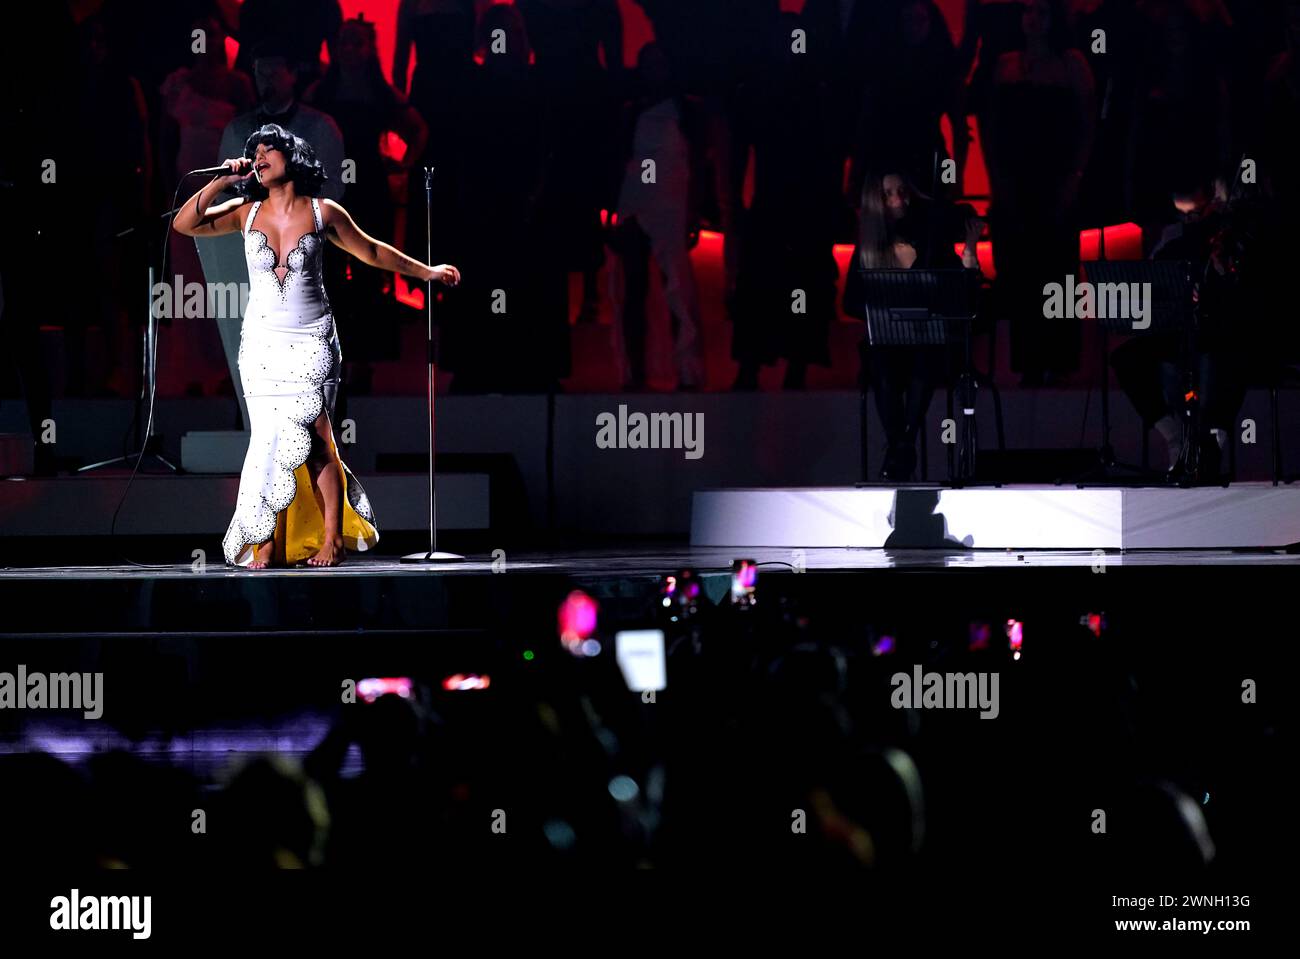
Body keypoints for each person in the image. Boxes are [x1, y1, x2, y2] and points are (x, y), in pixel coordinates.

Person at [172, 124, 461, 567]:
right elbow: (184, 223)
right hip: (262, 344)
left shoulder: (324, 212)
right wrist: (221, 181)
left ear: (293, 157)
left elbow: (373, 252)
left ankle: (332, 538)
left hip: (312, 338)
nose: (261, 155)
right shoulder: (244, 212)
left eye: (270, 148)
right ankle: (264, 539)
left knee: (316, 437)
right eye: (255, 151)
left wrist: (427, 273)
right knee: (268, 439)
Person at [195, 43, 346, 430]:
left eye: (275, 70)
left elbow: (332, 195)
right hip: (255, 262)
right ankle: (254, 418)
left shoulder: (318, 127)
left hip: (306, 262)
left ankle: (323, 426)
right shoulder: (238, 130)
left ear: (294, 73)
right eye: (259, 71)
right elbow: (213, 206)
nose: (266, 80)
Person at [306, 15, 429, 394]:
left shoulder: (381, 92)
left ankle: (363, 364)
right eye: (345, 42)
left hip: (370, 190)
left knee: (370, 273)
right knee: (327, 274)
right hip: (331, 190)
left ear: (370, 49)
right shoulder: (320, 93)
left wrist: (404, 165)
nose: (351, 50)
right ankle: (328, 360)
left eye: (358, 43)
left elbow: (418, 129)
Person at [845, 170, 983, 481]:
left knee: (924, 361)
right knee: (883, 367)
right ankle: (903, 445)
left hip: (926, 344)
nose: (898, 198)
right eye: (888, 192)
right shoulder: (867, 248)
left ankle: (901, 447)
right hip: (888, 344)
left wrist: (970, 250)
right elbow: (850, 301)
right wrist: (883, 305)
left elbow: (962, 291)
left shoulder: (930, 240)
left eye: (902, 190)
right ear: (875, 201)